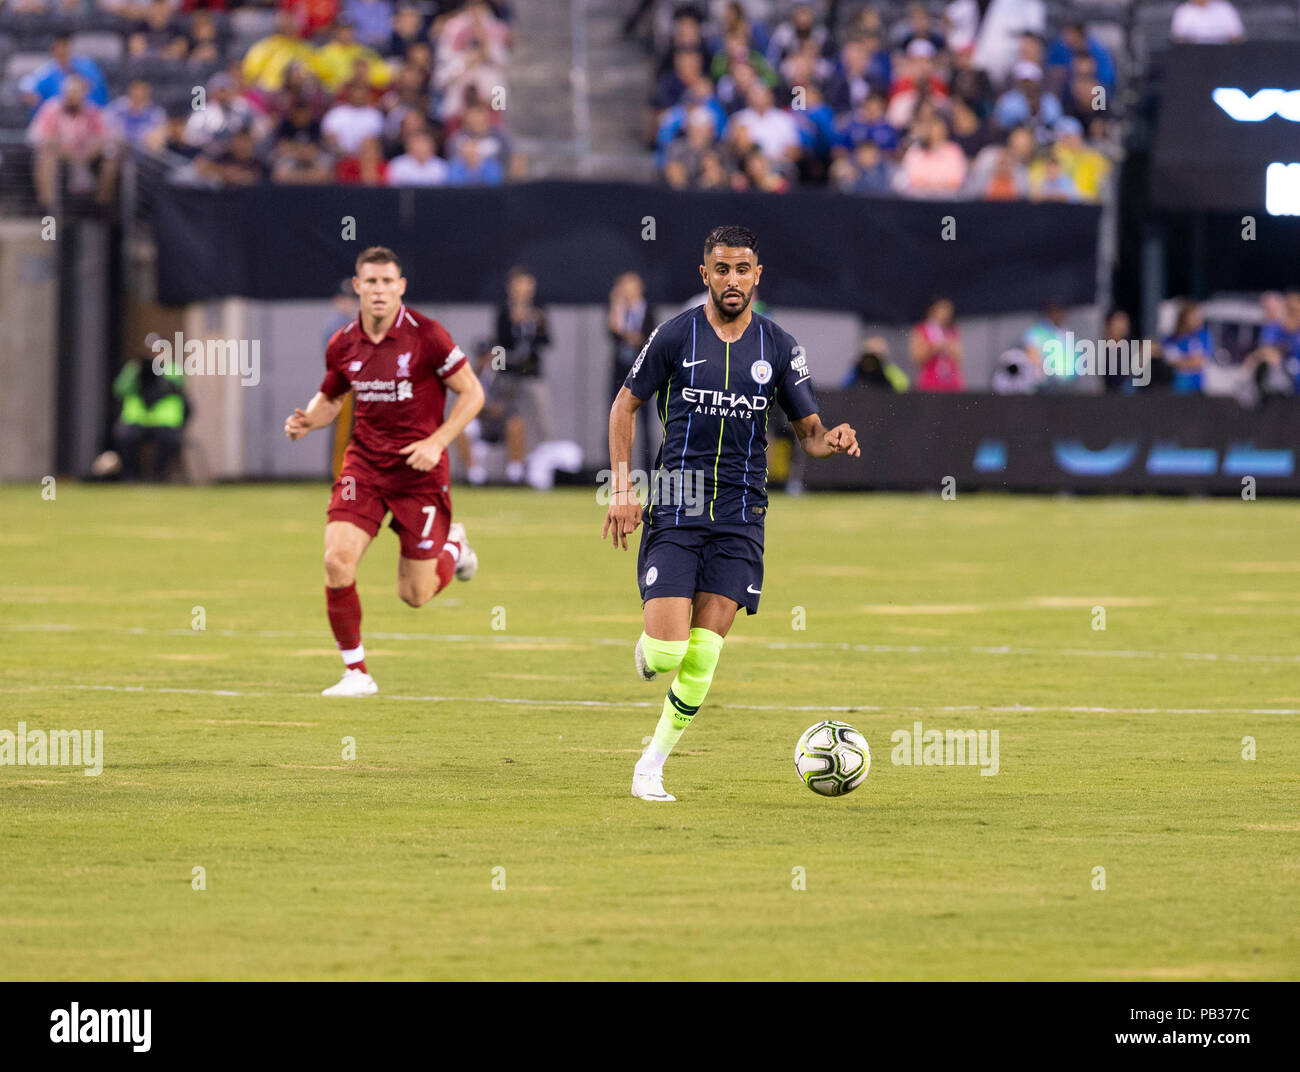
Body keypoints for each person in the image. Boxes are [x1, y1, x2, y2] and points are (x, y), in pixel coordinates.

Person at [603, 225, 860, 802]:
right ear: (706, 276)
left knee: (705, 655)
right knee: (668, 652)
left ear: (757, 275)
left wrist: (833, 438)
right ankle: (651, 649)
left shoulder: (780, 347)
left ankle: (651, 765)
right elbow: (625, 404)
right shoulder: (675, 336)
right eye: (722, 269)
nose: (733, 280)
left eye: (743, 269)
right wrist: (622, 487)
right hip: (679, 501)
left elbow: (810, 434)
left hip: (742, 514)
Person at [284, 247, 486, 697]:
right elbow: (331, 398)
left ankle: (454, 546)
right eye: (370, 282)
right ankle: (356, 672)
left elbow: (472, 393)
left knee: (414, 595)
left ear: (401, 287)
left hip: (419, 474)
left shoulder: (428, 335)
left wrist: (437, 442)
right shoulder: (343, 343)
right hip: (366, 467)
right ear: (357, 287)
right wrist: (308, 420)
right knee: (336, 560)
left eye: (387, 282)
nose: (379, 290)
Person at [493, 266, 550, 483]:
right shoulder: (503, 312)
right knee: (512, 419)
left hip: (533, 374)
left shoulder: (539, 311)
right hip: (510, 376)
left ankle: (540, 470)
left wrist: (534, 324)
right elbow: (498, 345)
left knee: (540, 420)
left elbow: (546, 342)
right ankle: (514, 469)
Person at [111, 340, 190, 480]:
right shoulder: (134, 368)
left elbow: (178, 387)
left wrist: (160, 377)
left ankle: (158, 476)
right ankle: (132, 476)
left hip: (164, 422)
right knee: (124, 437)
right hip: (137, 421)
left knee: (170, 440)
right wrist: (137, 374)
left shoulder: (173, 369)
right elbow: (119, 389)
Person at [608, 271, 656, 476]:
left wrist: (634, 338)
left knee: (644, 423)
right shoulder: (619, 310)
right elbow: (613, 331)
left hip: (643, 374)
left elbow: (650, 338)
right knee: (615, 419)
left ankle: (647, 469)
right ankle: (613, 470)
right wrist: (615, 303)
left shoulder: (647, 309)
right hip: (620, 374)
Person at [910, 297, 964, 391]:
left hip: (951, 383)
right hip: (930, 383)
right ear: (932, 310)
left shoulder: (952, 330)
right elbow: (917, 358)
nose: (946, 314)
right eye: (942, 309)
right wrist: (934, 348)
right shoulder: (921, 330)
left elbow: (959, 358)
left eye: (948, 310)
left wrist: (950, 347)